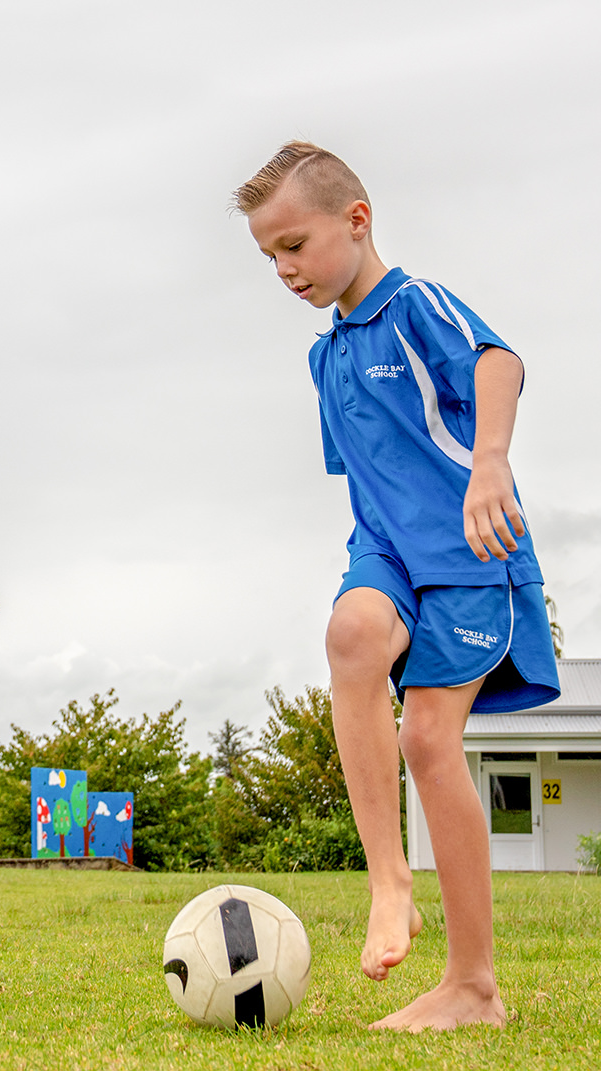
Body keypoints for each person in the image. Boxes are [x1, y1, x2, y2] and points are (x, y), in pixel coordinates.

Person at [232, 143, 559, 1032]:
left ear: (358, 220)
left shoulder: (415, 306)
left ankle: (473, 984)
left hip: (466, 552)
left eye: (294, 245)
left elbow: (499, 362)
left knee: (426, 738)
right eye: (270, 257)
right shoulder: (326, 356)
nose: (284, 269)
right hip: (384, 551)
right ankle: (389, 880)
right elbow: (373, 472)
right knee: (349, 636)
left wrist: (490, 459)